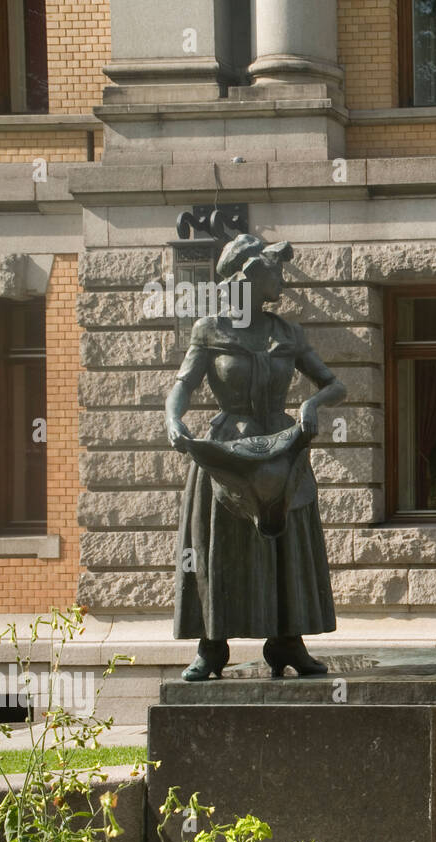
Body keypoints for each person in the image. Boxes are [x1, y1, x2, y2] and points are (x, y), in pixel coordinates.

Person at [165, 234, 346, 681]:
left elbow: (333, 383)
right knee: (220, 546)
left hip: (283, 448)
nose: (282, 279)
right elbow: (184, 385)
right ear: (249, 275)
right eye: (275, 270)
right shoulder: (210, 330)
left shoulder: (287, 332)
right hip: (227, 451)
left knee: (284, 542)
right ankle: (212, 647)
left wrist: (310, 405)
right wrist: (173, 419)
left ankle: (288, 642)